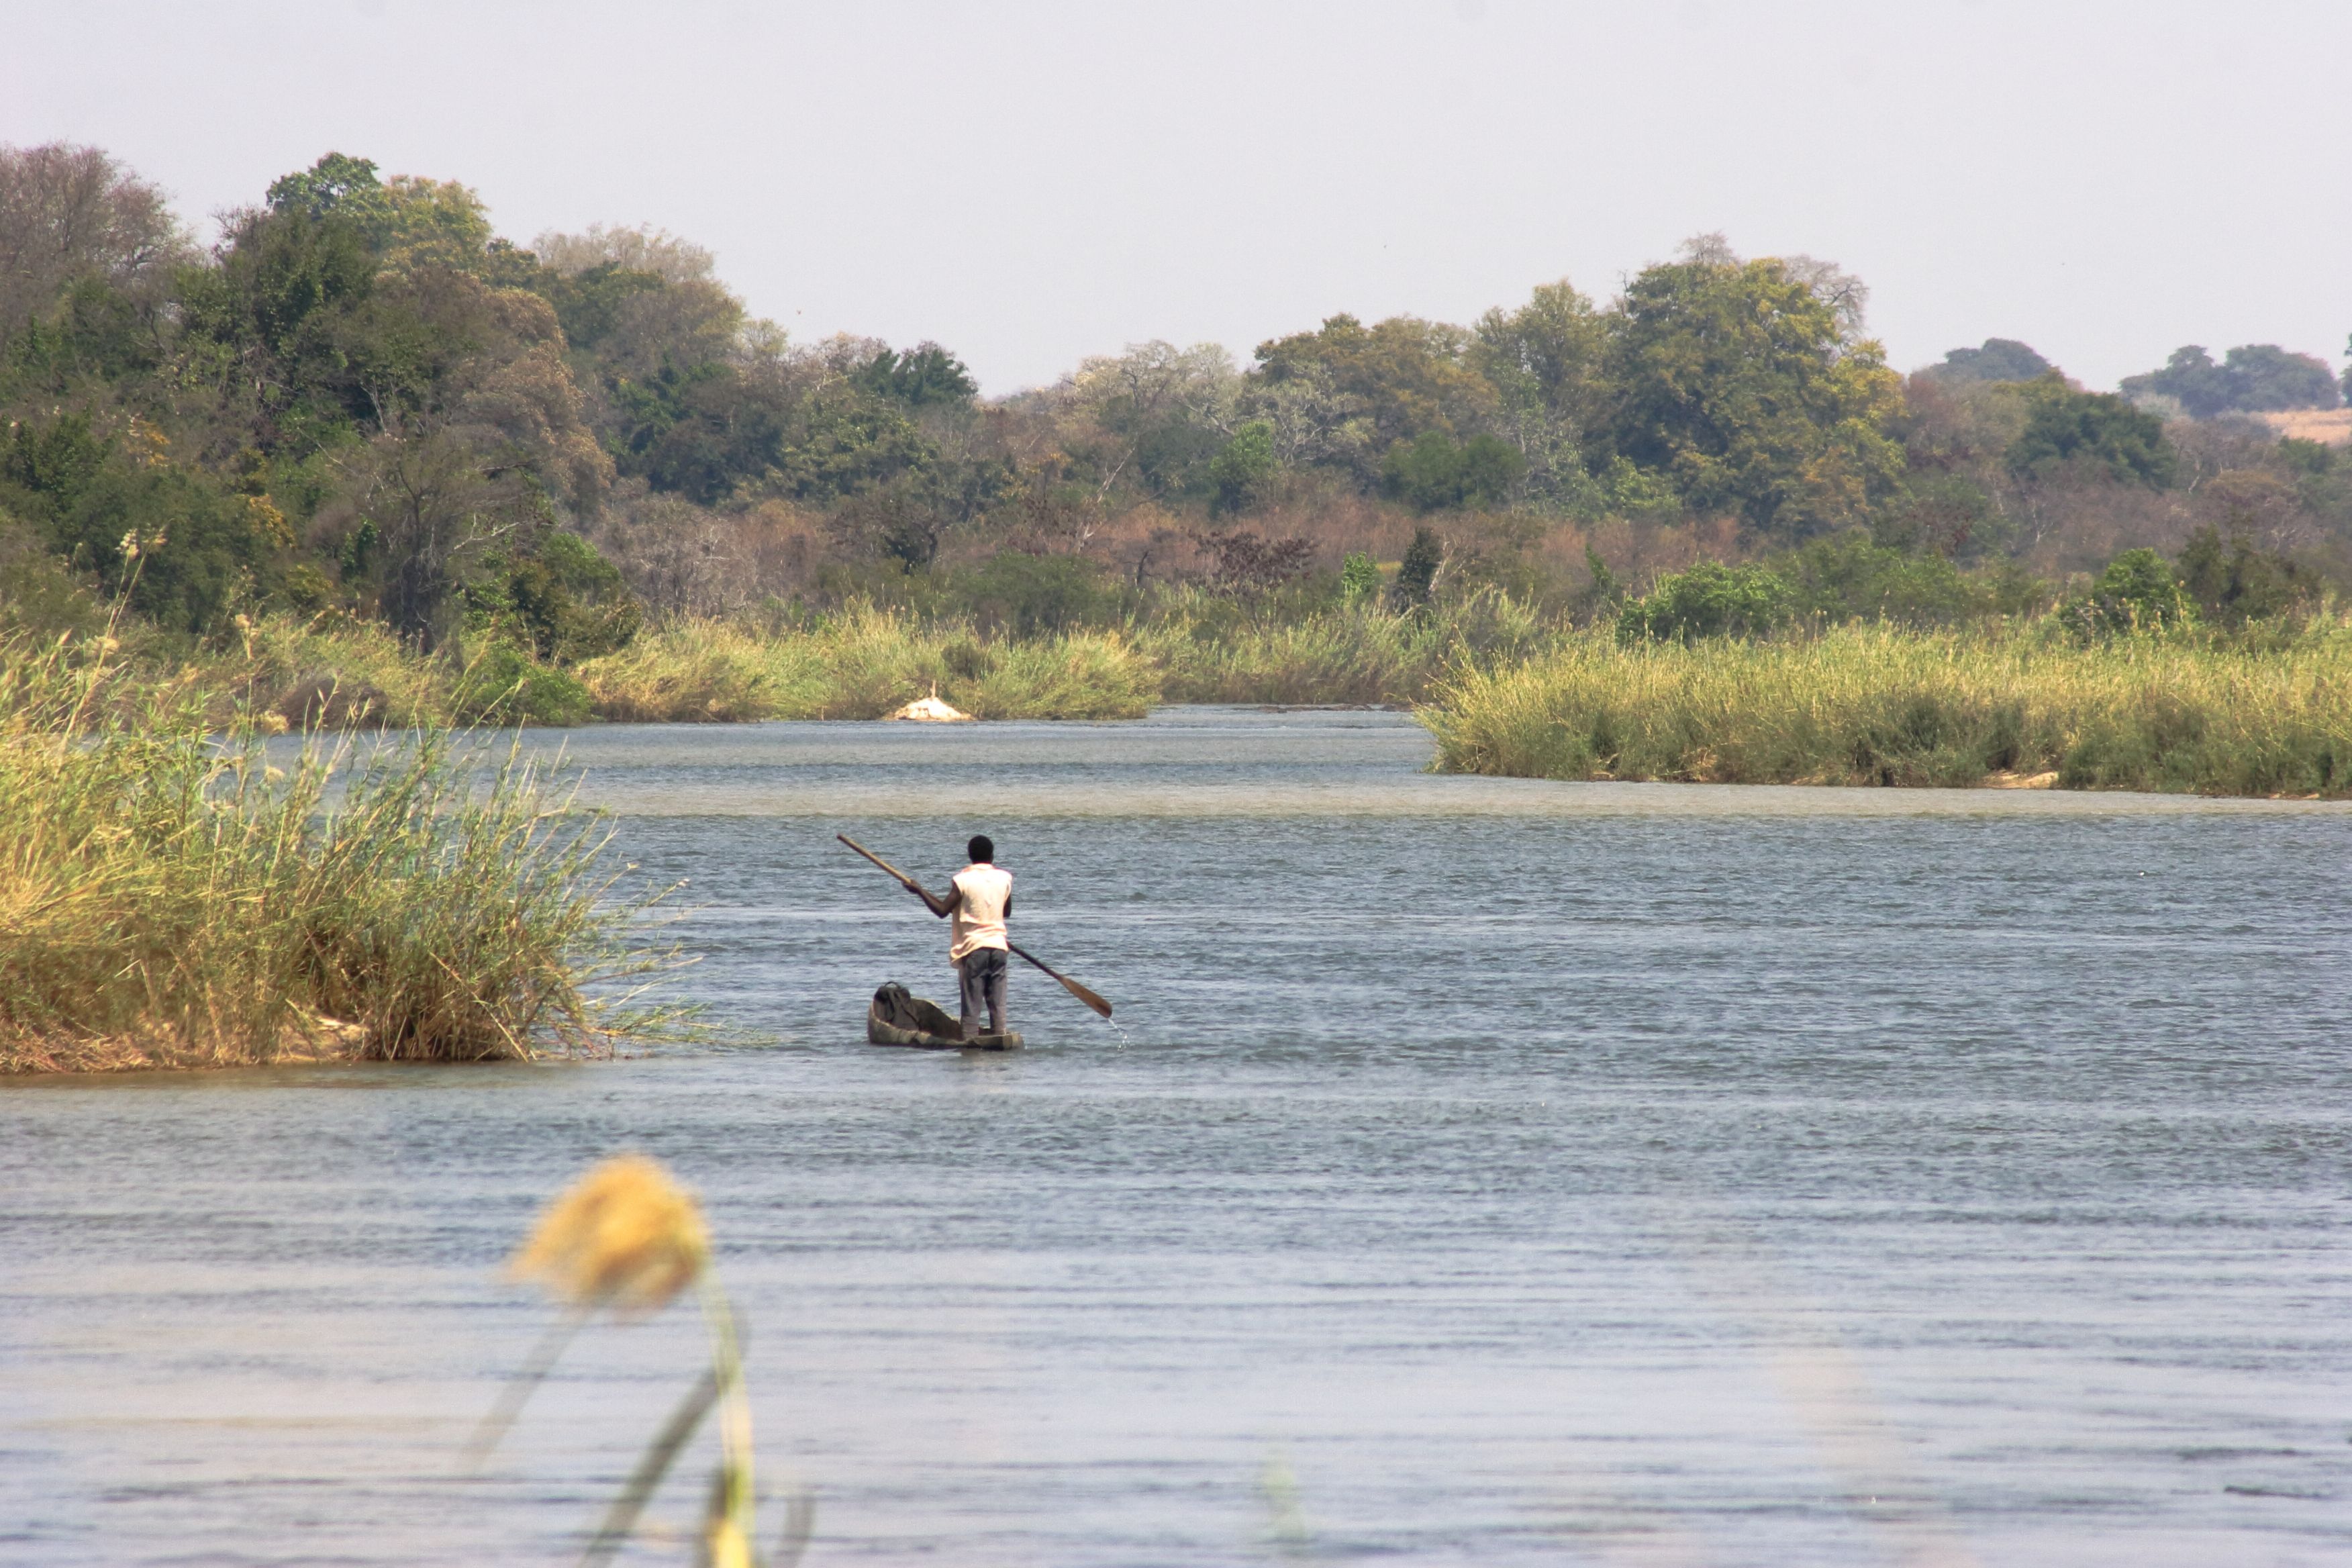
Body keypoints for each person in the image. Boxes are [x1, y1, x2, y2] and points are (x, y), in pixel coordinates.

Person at [909, 834, 1012, 1040]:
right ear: (992, 856)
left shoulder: (963, 880)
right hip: (999, 947)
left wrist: (920, 891)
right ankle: (1000, 1038)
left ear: (970, 856)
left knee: (972, 1005)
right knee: (997, 1003)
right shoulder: (1005, 878)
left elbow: (942, 910)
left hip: (975, 948)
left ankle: (970, 1046)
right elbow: (1006, 912)